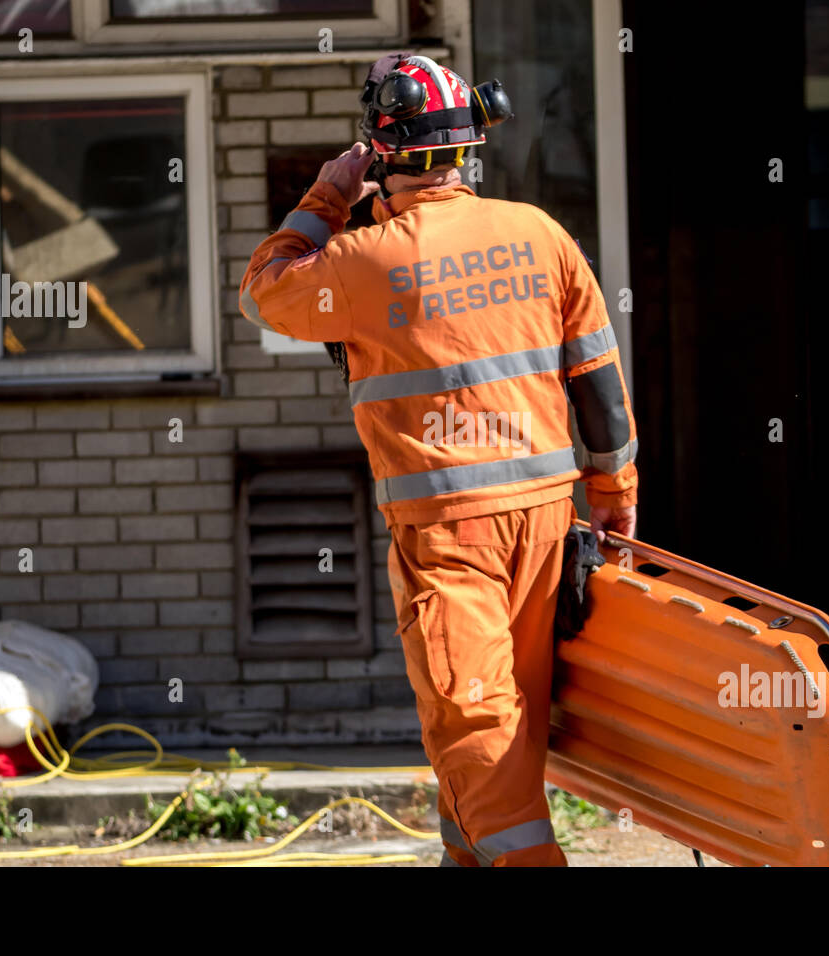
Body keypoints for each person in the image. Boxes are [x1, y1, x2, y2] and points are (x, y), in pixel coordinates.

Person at [239, 54, 638, 866]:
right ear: (466, 148)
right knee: (508, 716)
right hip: (548, 523)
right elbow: (599, 383)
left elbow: (264, 289)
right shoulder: (540, 234)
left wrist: (328, 195)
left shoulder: (362, 259)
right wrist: (615, 492)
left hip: (450, 536)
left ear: (382, 154)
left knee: (476, 725)